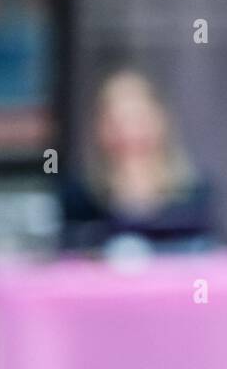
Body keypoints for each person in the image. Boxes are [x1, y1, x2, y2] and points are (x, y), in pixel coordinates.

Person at [60, 66, 217, 252]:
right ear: (99, 128)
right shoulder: (78, 196)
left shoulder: (195, 193)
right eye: (116, 122)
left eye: (137, 119)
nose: (128, 132)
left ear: (160, 121)